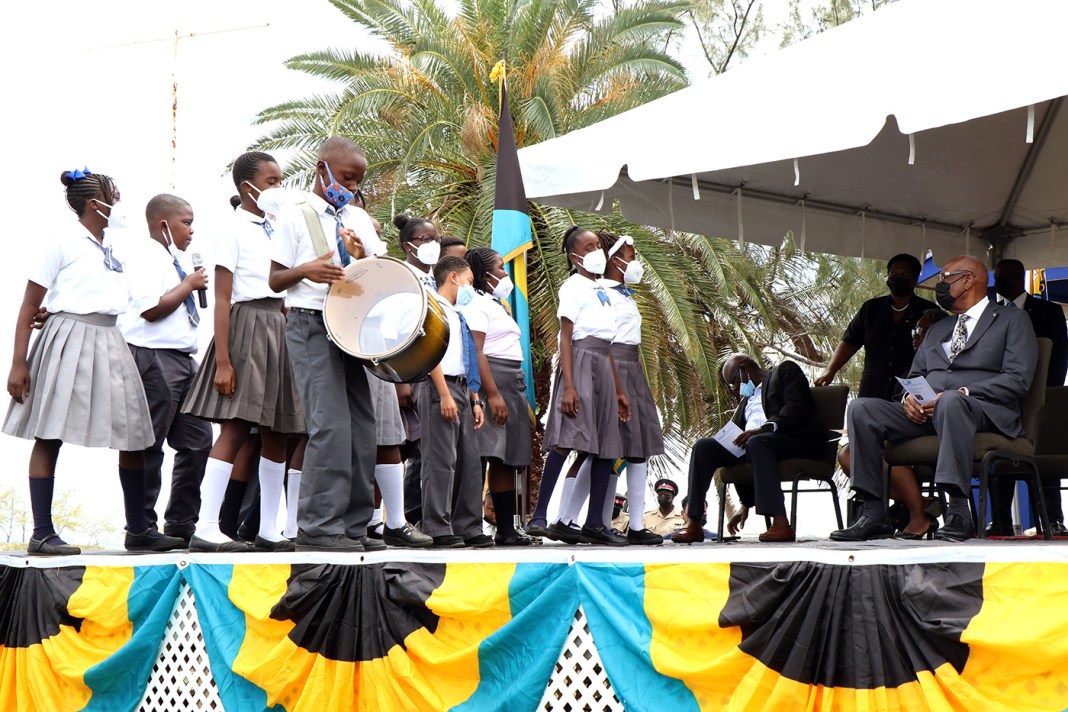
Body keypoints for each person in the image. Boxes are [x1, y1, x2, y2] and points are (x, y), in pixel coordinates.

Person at [4, 168, 183, 554]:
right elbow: (27, 306)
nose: (117, 199)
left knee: (135, 433)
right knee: (49, 433)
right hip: (70, 336)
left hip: (111, 337)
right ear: (93, 203)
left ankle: (138, 529)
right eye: (111, 194)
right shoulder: (63, 242)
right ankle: (42, 533)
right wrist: (19, 363)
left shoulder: (114, 246)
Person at [831, 255, 1037, 543]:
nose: (939, 286)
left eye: (945, 278)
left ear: (968, 280)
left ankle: (957, 512)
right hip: (930, 412)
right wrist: (909, 399)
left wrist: (962, 393)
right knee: (862, 409)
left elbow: (1018, 379)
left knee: (951, 401)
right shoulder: (939, 327)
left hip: (983, 410)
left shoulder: (1011, 319)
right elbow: (915, 375)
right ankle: (873, 512)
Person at [182, 151, 307, 552]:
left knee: (279, 432)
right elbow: (222, 299)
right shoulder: (233, 230)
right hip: (247, 326)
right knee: (234, 428)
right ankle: (205, 525)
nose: (278, 188)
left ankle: (270, 526)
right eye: (271, 181)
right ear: (246, 187)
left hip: (279, 326)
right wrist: (223, 360)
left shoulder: (278, 228)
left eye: (280, 180)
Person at [268, 136, 386, 552]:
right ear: (323, 170)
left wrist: (358, 257)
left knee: (361, 428)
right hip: (310, 323)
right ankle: (319, 527)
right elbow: (275, 280)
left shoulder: (356, 217)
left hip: (351, 328)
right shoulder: (295, 214)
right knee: (330, 425)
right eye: (346, 177)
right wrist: (307, 270)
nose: (351, 187)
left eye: (357, 180)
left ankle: (353, 526)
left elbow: (378, 272)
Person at [116, 193, 213, 548]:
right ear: (163, 224)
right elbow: (150, 310)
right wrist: (187, 285)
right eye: (185, 222)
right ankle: (140, 528)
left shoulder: (173, 259)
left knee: (199, 440)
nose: (191, 230)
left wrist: (186, 280)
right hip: (153, 358)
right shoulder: (145, 256)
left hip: (185, 359)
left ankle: (181, 522)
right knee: (149, 444)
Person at [527, 225, 630, 546]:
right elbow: (566, 337)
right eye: (587, 248)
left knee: (605, 446)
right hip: (581, 362)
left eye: (597, 245)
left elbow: (609, 343)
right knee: (568, 439)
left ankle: (595, 522)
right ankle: (540, 515)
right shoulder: (572, 287)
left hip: (604, 362)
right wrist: (569, 386)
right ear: (574, 257)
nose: (595, 251)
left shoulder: (603, 292)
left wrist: (619, 390)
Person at [672, 354, 825, 544]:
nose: (735, 389)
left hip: (791, 440)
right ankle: (694, 523)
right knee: (704, 447)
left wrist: (763, 429)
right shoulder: (747, 399)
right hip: (757, 446)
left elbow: (797, 407)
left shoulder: (784, 371)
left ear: (744, 369)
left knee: (756, 442)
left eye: (733, 382)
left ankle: (780, 522)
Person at [990, 258, 1068, 535]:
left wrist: (1050, 394)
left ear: (1019, 277)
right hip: (1003, 398)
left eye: (1003, 276)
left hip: (1041, 396)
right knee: (1001, 455)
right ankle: (999, 521)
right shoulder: (992, 313)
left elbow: (1058, 359)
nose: (998, 281)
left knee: (1042, 457)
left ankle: (1051, 518)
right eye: (996, 276)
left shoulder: (1048, 312)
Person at [462, 247, 532, 546]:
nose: (505, 274)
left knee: (505, 458)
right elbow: (477, 351)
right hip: (495, 380)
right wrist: (492, 395)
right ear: (483, 274)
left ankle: (506, 528)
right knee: (486, 453)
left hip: (511, 381)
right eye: (500, 268)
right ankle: (470, 526)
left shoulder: (495, 302)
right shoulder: (477, 304)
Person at [420, 255, 491, 548]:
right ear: (453, 277)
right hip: (441, 388)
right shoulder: (433, 307)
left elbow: (465, 359)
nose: (470, 288)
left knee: (469, 463)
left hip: (462, 389)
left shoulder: (457, 313)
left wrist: (475, 399)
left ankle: (468, 525)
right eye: (470, 281)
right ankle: (437, 526)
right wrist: (445, 394)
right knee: (441, 460)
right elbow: (429, 353)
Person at [816, 254, 938, 399]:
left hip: (910, 392)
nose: (897, 277)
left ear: (915, 279)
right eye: (893, 274)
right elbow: (849, 342)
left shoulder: (928, 312)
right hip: (872, 389)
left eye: (904, 274)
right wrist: (830, 371)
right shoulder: (871, 308)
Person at [394, 214, 440, 526]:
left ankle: (424, 515)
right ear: (407, 245)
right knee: (403, 448)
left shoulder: (436, 279)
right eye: (424, 239)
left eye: (435, 239)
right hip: (408, 372)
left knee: (427, 449)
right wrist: (401, 381)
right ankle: (405, 516)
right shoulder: (402, 277)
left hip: (434, 371)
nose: (432, 245)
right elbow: (395, 328)